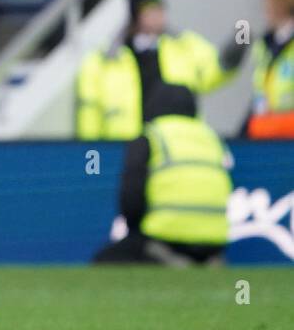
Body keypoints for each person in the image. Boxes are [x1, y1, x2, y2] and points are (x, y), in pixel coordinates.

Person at [76, 0, 240, 140]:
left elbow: (215, 69)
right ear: (136, 16)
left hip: (175, 144)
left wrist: (238, 46)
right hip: (123, 149)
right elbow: (89, 113)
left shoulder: (184, 46)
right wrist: (92, 152)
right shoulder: (104, 60)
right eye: (151, 10)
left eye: (160, 9)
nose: (159, 15)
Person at [94, 84, 231, 266]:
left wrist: (135, 231)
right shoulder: (212, 138)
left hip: (165, 240)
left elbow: (131, 196)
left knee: (103, 262)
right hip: (215, 244)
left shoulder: (152, 136)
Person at [245, 0, 294, 139]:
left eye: (269, 5)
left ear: (280, 6)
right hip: (266, 130)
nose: (265, 11)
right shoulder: (264, 45)